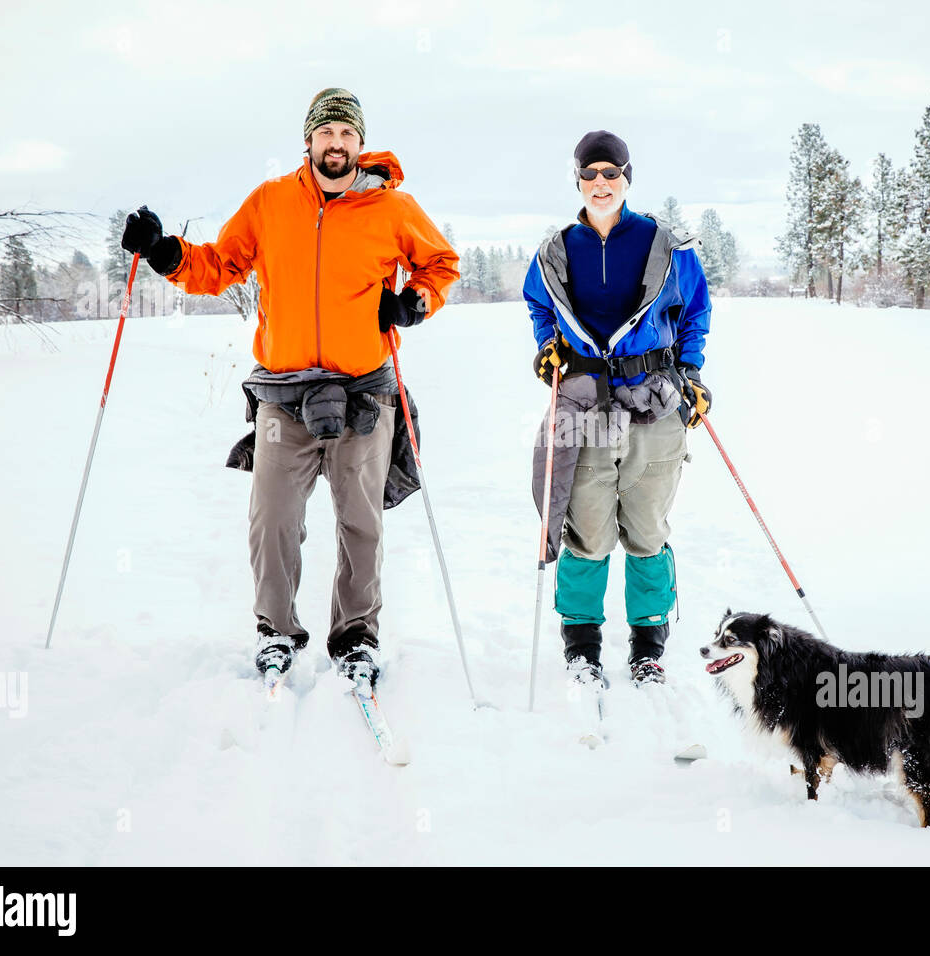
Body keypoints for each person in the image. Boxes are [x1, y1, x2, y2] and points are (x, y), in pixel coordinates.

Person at [121, 87, 459, 688]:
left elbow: (441, 265)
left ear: (360, 142)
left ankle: (356, 636)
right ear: (309, 141)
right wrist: (165, 252)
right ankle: (275, 631)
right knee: (273, 518)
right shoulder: (271, 202)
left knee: (361, 522)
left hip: (364, 393)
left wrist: (414, 302)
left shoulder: (392, 208)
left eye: (347, 134)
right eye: (326, 133)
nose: (337, 143)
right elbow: (219, 265)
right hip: (285, 394)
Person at [523, 130, 713, 688]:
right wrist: (547, 345)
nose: (600, 184)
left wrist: (693, 373)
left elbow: (695, 312)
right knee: (586, 529)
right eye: (590, 174)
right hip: (584, 402)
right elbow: (540, 304)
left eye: (611, 173)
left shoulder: (664, 245)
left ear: (627, 177)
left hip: (653, 403)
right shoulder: (557, 249)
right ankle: (582, 646)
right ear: (577, 179)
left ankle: (648, 645)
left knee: (648, 528)